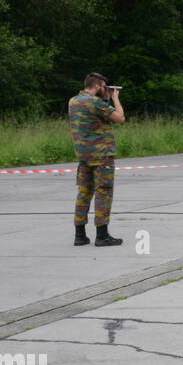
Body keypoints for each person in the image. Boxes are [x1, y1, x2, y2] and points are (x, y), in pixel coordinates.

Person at [68, 73, 125, 247]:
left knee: (84, 192)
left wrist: (104, 99)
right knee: (103, 192)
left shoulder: (73, 101)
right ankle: (102, 235)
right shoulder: (96, 103)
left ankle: (80, 235)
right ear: (98, 85)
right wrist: (114, 98)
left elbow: (94, 118)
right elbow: (120, 118)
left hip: (83, 155)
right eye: (104, 86)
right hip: (101, 156)